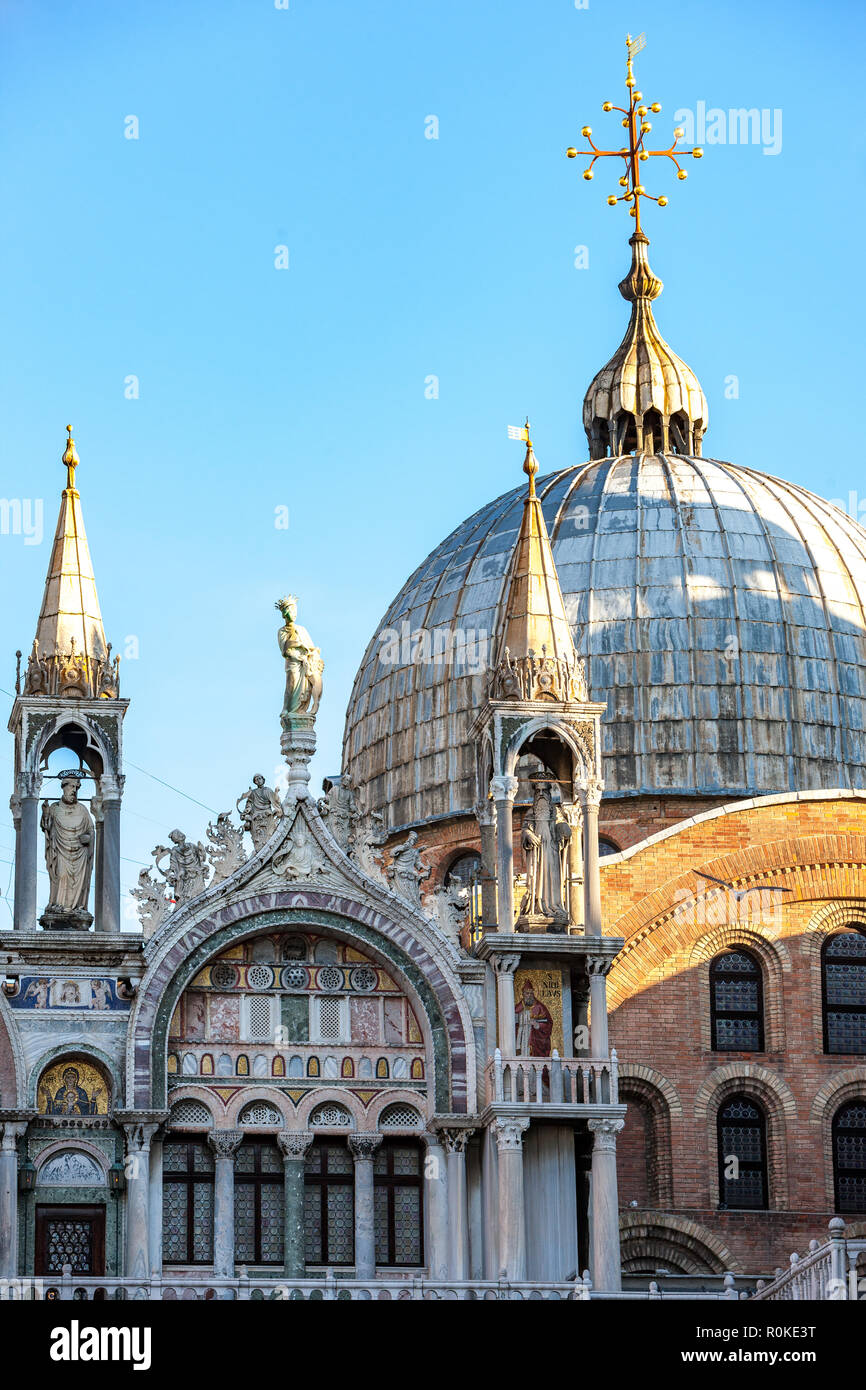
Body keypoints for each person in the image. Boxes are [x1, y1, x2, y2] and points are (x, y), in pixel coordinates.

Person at [515, 979, 554, 1057]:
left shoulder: (540, 1007)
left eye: (531, 993)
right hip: (521, 1038)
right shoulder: (518, 1008)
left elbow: (549, 1023)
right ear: (523, 994)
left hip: (534, 1040)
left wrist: (538, 1025)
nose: (529, 995)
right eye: (527, 993)